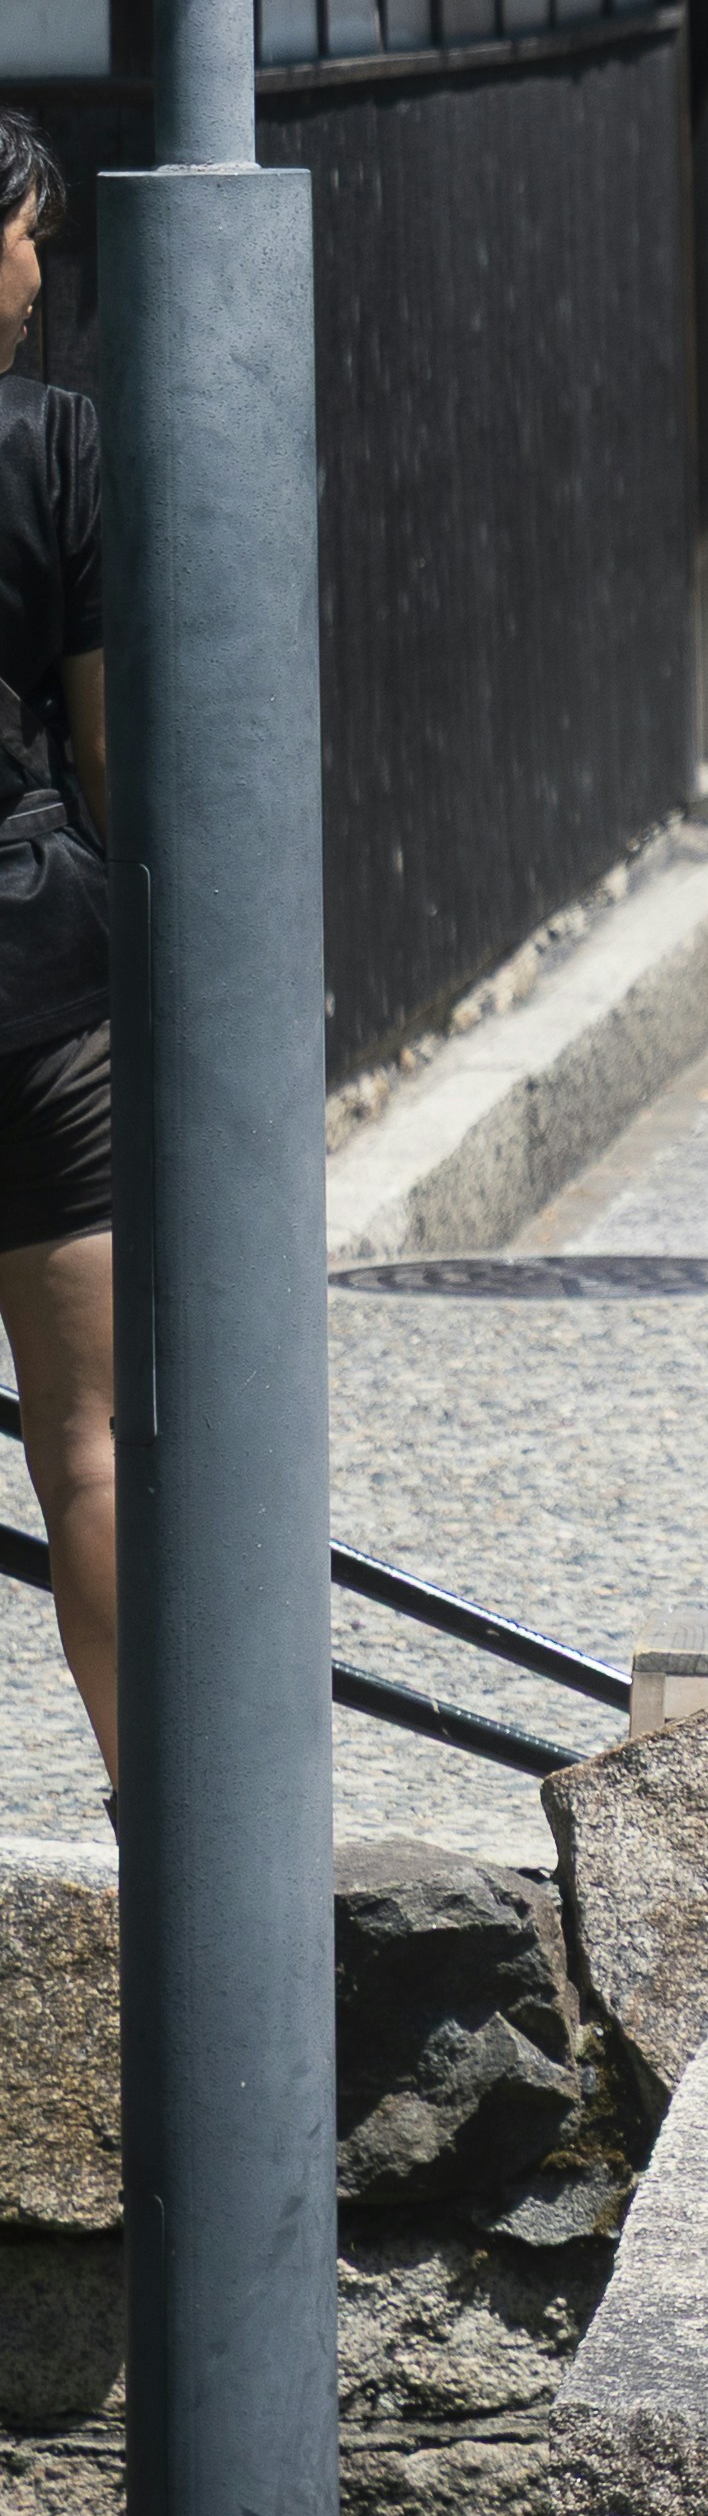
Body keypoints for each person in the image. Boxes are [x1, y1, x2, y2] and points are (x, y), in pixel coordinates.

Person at [0, 117, 111, 1787]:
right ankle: (150, 1811)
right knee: (88, 1453)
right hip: (33, 977)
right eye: (29, 234)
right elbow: (114, 743)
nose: (38, 275)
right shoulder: (55, 444)